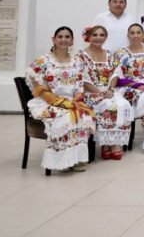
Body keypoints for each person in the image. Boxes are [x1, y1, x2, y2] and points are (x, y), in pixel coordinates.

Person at [26, 26, 96, 172]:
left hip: (72, 101)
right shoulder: (43, 61)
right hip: (47, 102)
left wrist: (75, 101)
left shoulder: (77, 62)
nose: (63, 40)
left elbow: (80, 87)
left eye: (67, 37)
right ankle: (62, 159)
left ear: (72, 41)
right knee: (65, 116)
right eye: (60, 36)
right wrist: (59, 102)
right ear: (54, 39)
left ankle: (76, 159)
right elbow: (36, 83)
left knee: (84, 115)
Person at [78, 25, 133, 160]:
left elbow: (116, 74)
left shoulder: (110, 55)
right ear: (89, 37)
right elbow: (82, 78)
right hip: (89, 94)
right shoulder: (80, 56)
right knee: (109, 105)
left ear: (105, 37)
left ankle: (114, 142)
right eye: (95, 35)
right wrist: (98, 92)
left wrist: (110, 89)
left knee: (123, 104)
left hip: (108, 91)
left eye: (102, 35)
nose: (98, 38)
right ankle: (106, 143)